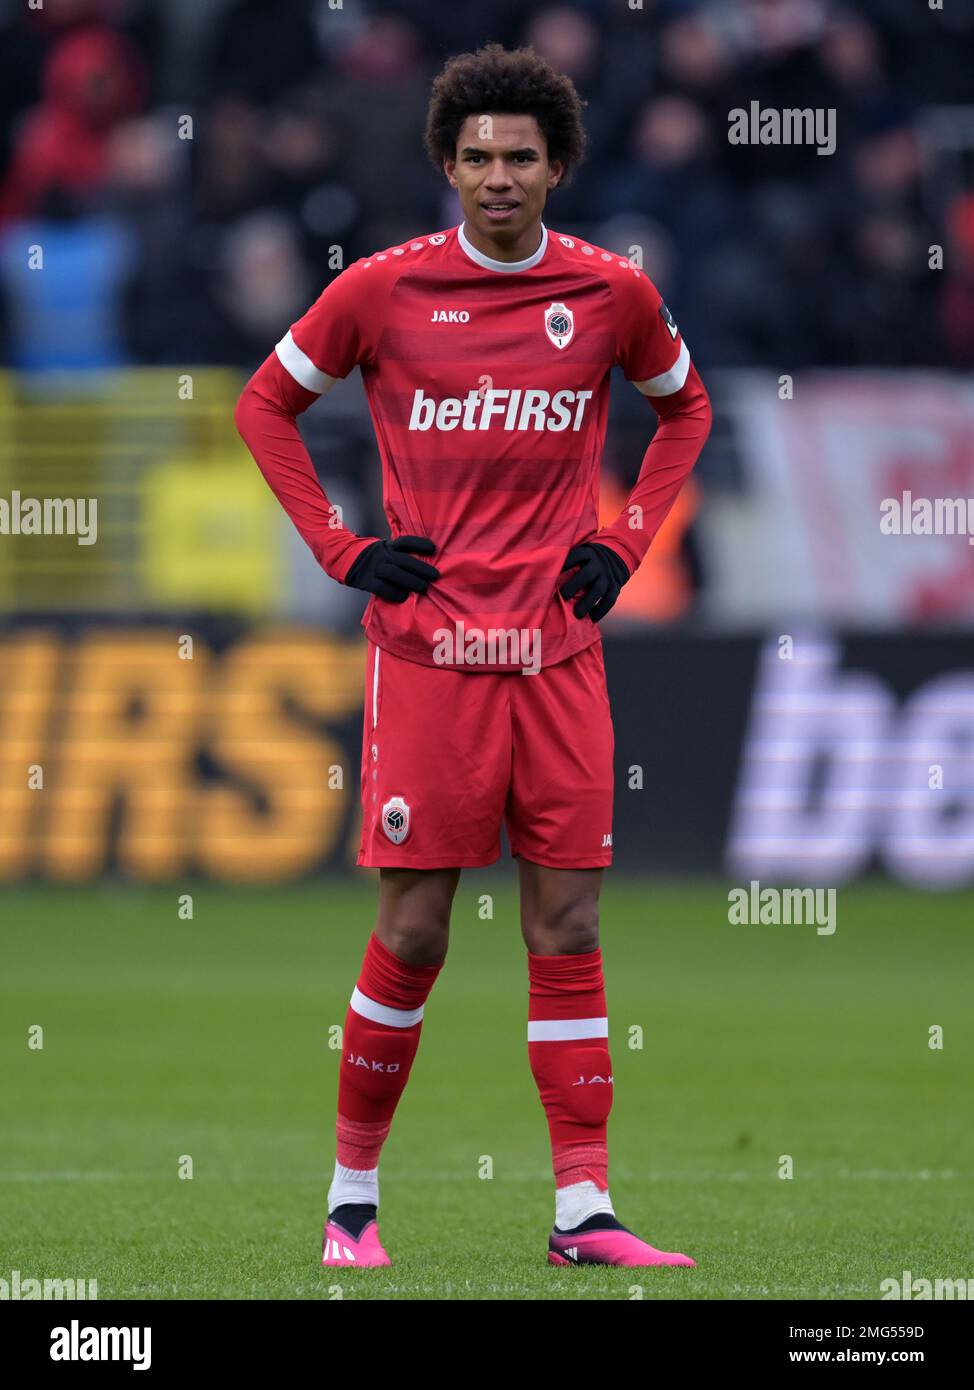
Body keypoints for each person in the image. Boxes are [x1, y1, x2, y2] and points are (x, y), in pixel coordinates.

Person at [234, 42, 711, 1269]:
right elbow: (262, 404)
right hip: (432, 654)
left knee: (566, 923)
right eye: (476, 158)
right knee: (416, 931)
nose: (497, 178)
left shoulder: (610, 293)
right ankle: (350, 1199)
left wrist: (626, 539)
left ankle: (581, 1212)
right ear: (446, 164)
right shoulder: (383, 290)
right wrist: (342, 550)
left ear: (556, 167)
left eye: (521, 158)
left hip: (557, 653)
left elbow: (685, 407)